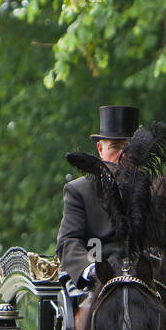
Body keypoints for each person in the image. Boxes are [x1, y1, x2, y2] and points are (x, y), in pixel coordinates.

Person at [55, 104, 137, 285]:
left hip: (147, 282)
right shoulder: (79, 191)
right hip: (99, 283)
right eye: (115, 147)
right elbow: (68, 242)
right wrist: (91, 269)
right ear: (100, 149)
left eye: (129, 148)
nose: (122, 155)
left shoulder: (155, 190)